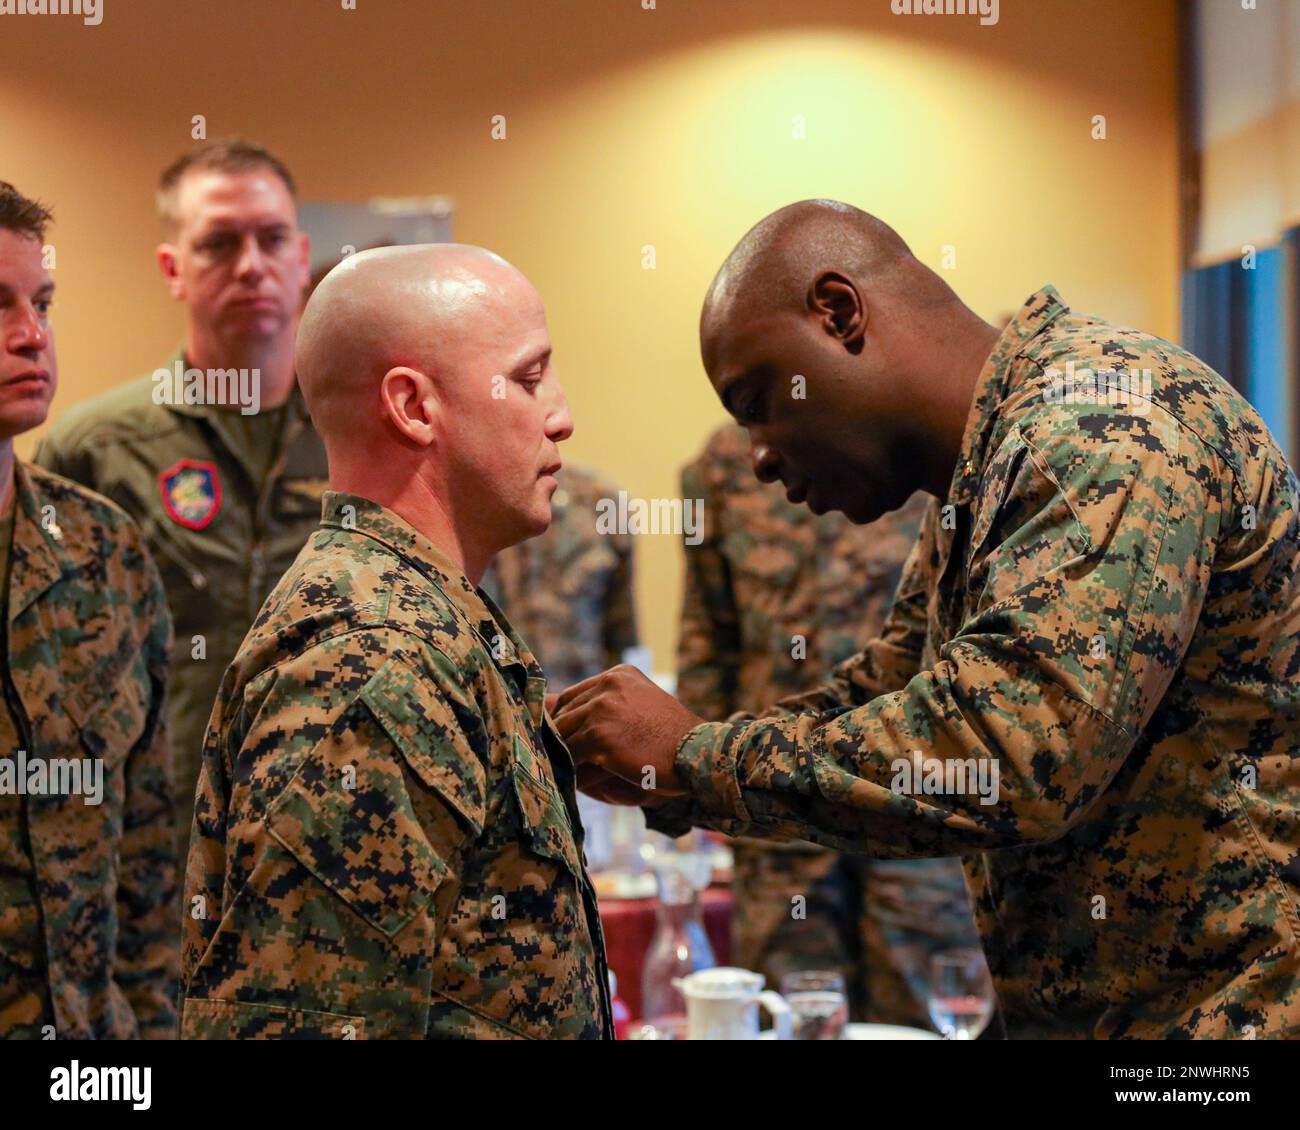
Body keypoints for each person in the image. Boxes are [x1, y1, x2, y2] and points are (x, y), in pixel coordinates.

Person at [553, 199, 1300, 1039]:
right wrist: (677, 756)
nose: (758, 456)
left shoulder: (1098, 425)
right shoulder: (985, 467)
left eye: (760, 400)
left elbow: (1010, 752)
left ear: (839, 313)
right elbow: (893, 683)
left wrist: (697, 758)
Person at [180, 244, 613, 1040]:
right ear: (414, 407)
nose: (561, 413)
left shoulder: (422, 612)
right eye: (528, 377)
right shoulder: (375, 654)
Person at [34, 140, 328, 866]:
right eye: (220, 243)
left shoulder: (370, 433)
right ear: (173, 268)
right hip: (154, 851)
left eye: (272, 239)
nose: (251, 265)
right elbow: (47, 674)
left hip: (338, 843)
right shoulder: (95, 449)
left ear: (302, 256)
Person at [678, 421, 975, 1027]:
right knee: (790, 1010)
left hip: (910, 788)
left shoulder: (915, 446)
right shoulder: (725, 467)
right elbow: (708, 637)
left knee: (923, 1006)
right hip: (775, 795)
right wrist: (695, 778)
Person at [0, 183, 176, 1038]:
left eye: (42, 304)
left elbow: (145, 848)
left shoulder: (104, 549)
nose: (31, 335)